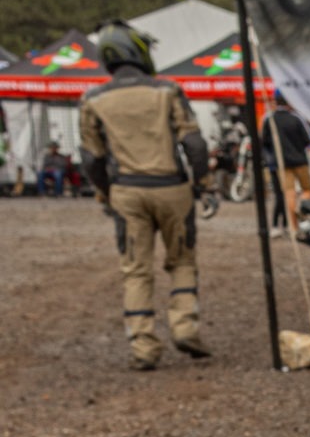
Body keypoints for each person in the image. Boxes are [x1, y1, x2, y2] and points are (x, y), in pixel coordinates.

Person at [78, 22, 211, 370]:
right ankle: (185, 328)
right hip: (172, 188)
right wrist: (203, 183)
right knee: (182, 260)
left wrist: (108, 193)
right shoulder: (167, 90)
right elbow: (194, 144)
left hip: (127, 191)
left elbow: (91, 158)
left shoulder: (93, 99)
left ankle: (144, 346)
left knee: (135, 270)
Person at [263, 98, 310, 232]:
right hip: (300, 160)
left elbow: (265, 141)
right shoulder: (296, 118)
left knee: (289, 194)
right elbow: (308, 139)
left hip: (282, 163)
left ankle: (294, 227)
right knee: (307, 190)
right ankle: (299, 206)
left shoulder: (270, 120)